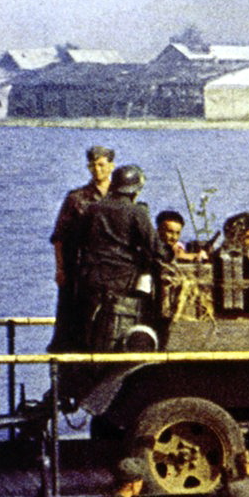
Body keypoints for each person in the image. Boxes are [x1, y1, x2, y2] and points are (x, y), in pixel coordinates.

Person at [77, 164, 158, 351]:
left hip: (91, 279)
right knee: (116, 327)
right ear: (135, 190)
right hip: (121, 281)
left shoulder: (92, 209)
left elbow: (78, 242)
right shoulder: (136, 212)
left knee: (91, 330)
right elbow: (155, 249)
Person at [49, 144, 115, 352]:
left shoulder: (120, 197)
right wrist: (60, 269)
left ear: (111, 166)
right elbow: (59, 237)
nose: (98, 170)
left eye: (102, 165)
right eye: (93, 165)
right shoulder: (76, 198)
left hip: (110, 267)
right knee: (73, 317)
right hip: (79, 266)